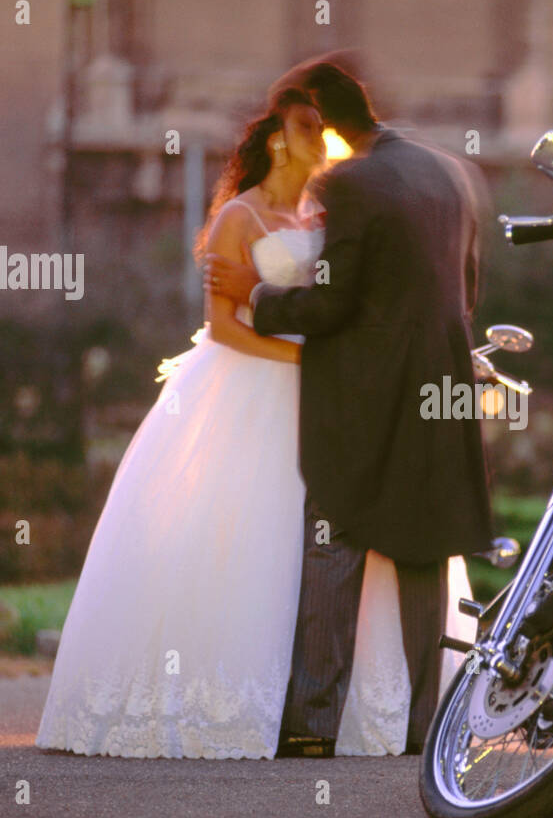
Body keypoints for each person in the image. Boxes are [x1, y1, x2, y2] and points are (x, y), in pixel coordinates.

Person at [35, 83, 475, 760]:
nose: (321, 141)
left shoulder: (328, 219)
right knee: (248, 538)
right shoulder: (239, 217)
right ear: (277, 138)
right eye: (307, 128)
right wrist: (307, 361)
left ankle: (354, 709)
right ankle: (235, 702)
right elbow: (221, 328)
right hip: (252, 390)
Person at [206, 60, 494, 757]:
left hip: (366, 396)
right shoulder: (449, 172)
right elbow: (468, 288)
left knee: (336, 539)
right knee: (423, 550)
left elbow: (333, 298)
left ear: (330, 125)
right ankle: (429, 730)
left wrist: (259, 292)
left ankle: (311, 724)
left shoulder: (351, 182)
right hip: (440, 391)